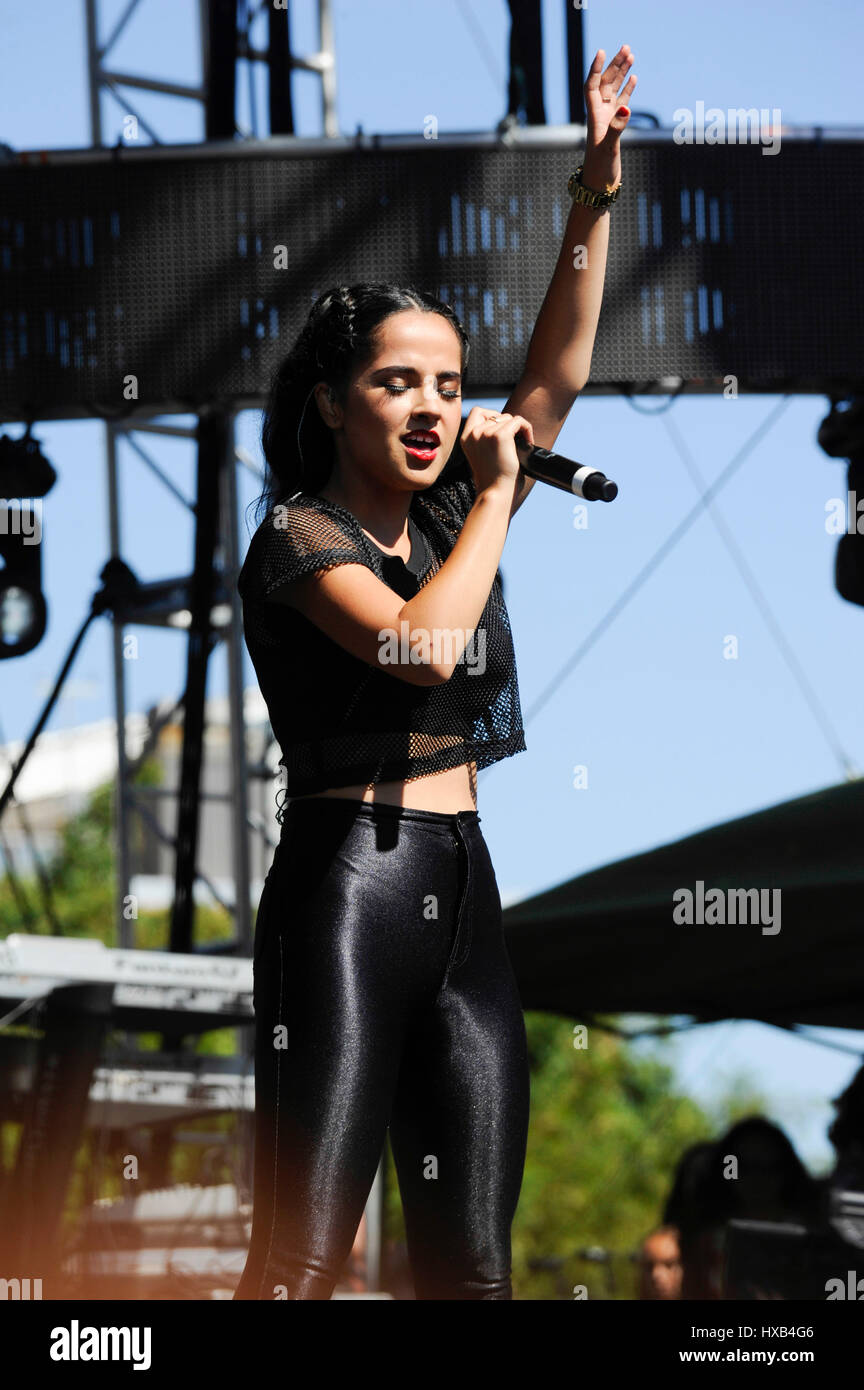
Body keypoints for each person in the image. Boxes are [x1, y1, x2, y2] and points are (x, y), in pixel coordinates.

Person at [232, 45, 637, 1301]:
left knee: (471, 1268)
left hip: (464, 889)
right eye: (396, 381)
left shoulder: (462, 497)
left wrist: (595, 189)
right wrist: (501, 498)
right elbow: (422, 646)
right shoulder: (300, 535)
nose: (432, 406)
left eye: (451, 387)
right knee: (300, 1259)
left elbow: (559, 368)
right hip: (348, 889)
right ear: (331, 404)